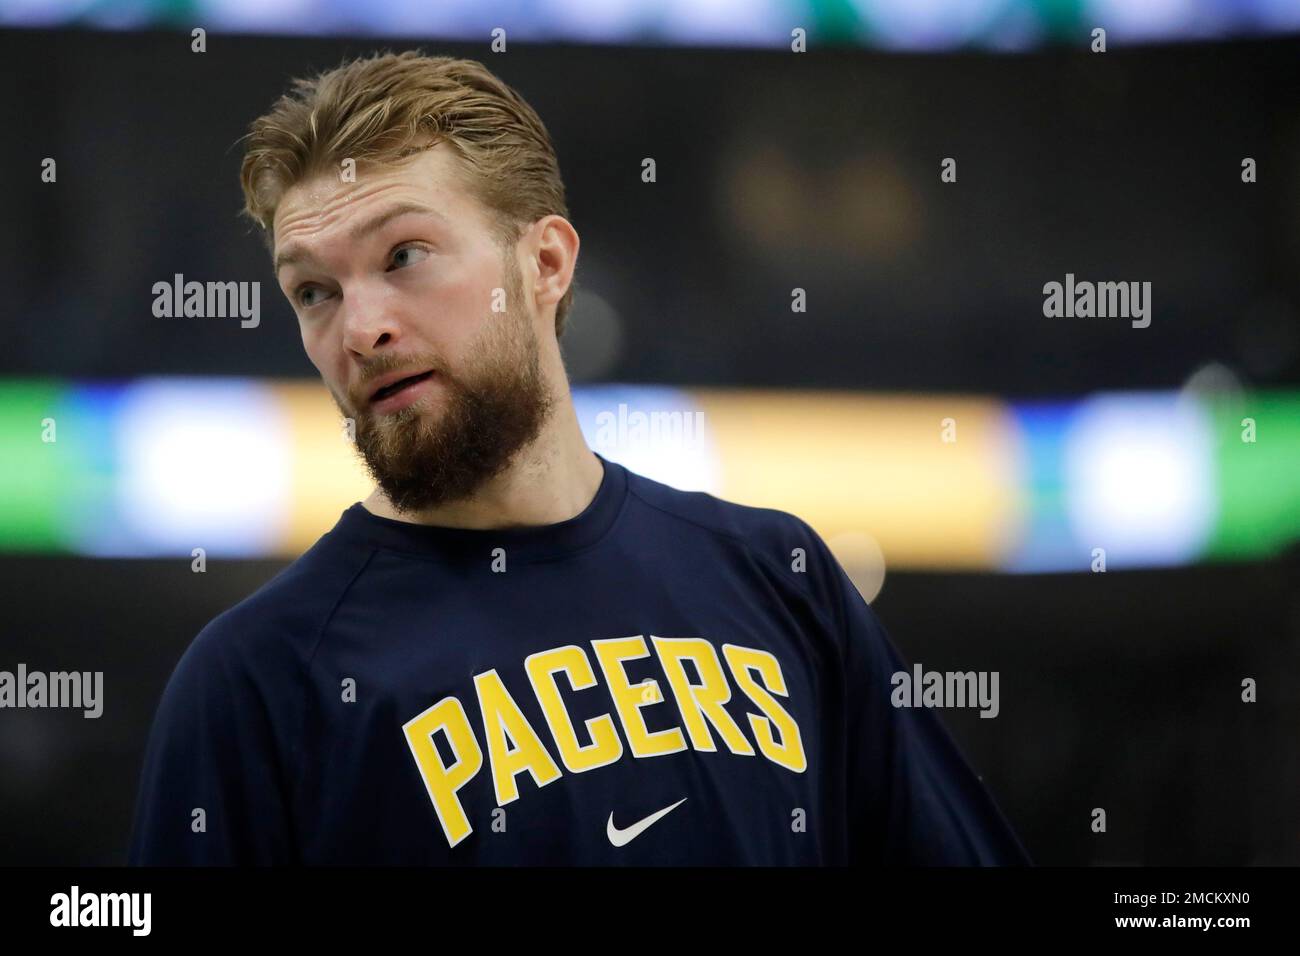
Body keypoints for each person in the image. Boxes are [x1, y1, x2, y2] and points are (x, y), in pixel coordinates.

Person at [128, 51, 1029, 865]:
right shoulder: (256, 680)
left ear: (547, 264)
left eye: (404, 255)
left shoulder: (778, 575)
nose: (360, 330)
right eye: (313, 291)